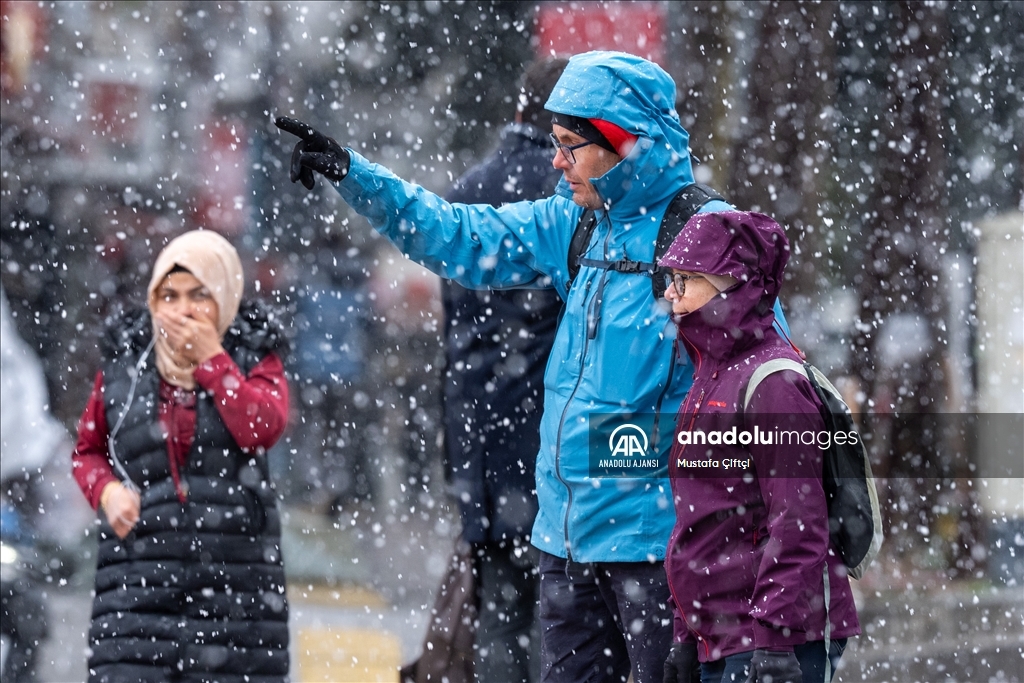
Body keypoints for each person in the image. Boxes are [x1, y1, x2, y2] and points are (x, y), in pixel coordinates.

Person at [275, 50, 787, 683]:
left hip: (661, 558)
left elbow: (764, 394)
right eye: (555, 143)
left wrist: (666, 481)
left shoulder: (708, 236)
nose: (556, 162)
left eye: (572, 146)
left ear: (624, 143)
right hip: (565, 548)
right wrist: (354, 175)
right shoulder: (574, 223)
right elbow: (455, 237)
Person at [70, 230, 291, 683]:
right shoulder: (123, 368)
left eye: (199, 296)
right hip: (136, 593)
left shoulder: (253, 358)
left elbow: (262, 426)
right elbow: (88, 451)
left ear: (225, 299)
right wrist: (107, 492)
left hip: (235, 597)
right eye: (168, 295)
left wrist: (213, 360)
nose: (182, 309)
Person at [657, 211, 860, 683]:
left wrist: (773, 638)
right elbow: (701, 516)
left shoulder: (774, 384)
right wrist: (687, 635)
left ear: (735, 285)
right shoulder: (710, 374)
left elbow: (797, 523)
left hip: (772, 640)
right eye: (671, 279)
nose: (670, 293)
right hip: (723, 637)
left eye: (685, 280)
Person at [441, 57, 567, 683]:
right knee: (562, 615)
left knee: (498, 609)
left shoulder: (467, 191)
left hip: (480, 434)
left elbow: (454, 330)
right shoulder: (574, 196)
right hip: (556, 438)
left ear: (519, 110)